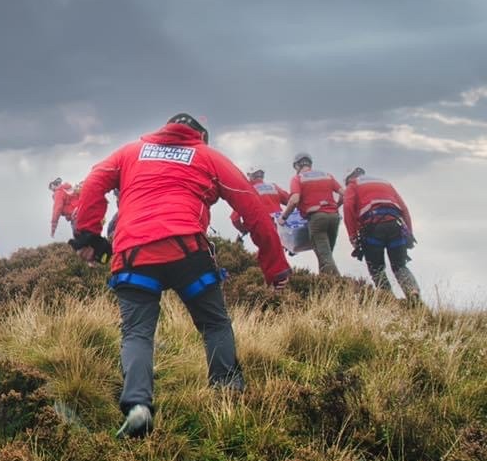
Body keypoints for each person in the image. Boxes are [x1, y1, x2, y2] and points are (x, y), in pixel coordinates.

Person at [70, 114, 290, 438]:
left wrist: (89, 235)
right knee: (214, 324)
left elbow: (94, 180)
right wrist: (275, 267)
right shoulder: (207, 155)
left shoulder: (130, 152)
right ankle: (227, 396)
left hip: (134, 255)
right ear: (200, 136)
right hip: (187, 252)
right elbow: (252, 207)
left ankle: (138, 407)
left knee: (136, 333)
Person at [343, 167, 421, 301]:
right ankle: (412, 291)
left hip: (373, 228)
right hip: (396, 226)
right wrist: (409, 233)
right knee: (400, 266)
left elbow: (348, 208)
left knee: (376, 269)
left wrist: (353, 236)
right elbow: (404, 209)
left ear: (349, 178)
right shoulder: (385, 183)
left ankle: (388, 299)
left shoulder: (353, 185)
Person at [285, 153, 343, 275]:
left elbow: (294, 200)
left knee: (325, 257)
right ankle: (325, 283)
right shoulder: (327, 175)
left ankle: (340, 284)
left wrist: (283, 217)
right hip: (334, 217)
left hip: (317, 219)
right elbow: (344, 193)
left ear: (297, 166)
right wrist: (336, 205)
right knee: (326, 254)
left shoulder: (297, 179)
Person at [231, 168, 289, 237]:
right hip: (281, 227)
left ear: (249, 175)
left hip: (262, 230)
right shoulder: (273, 186)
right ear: (262, 174)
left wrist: (243, 229)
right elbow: (291, 201)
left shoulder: (247, 191)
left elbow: (234, 218)